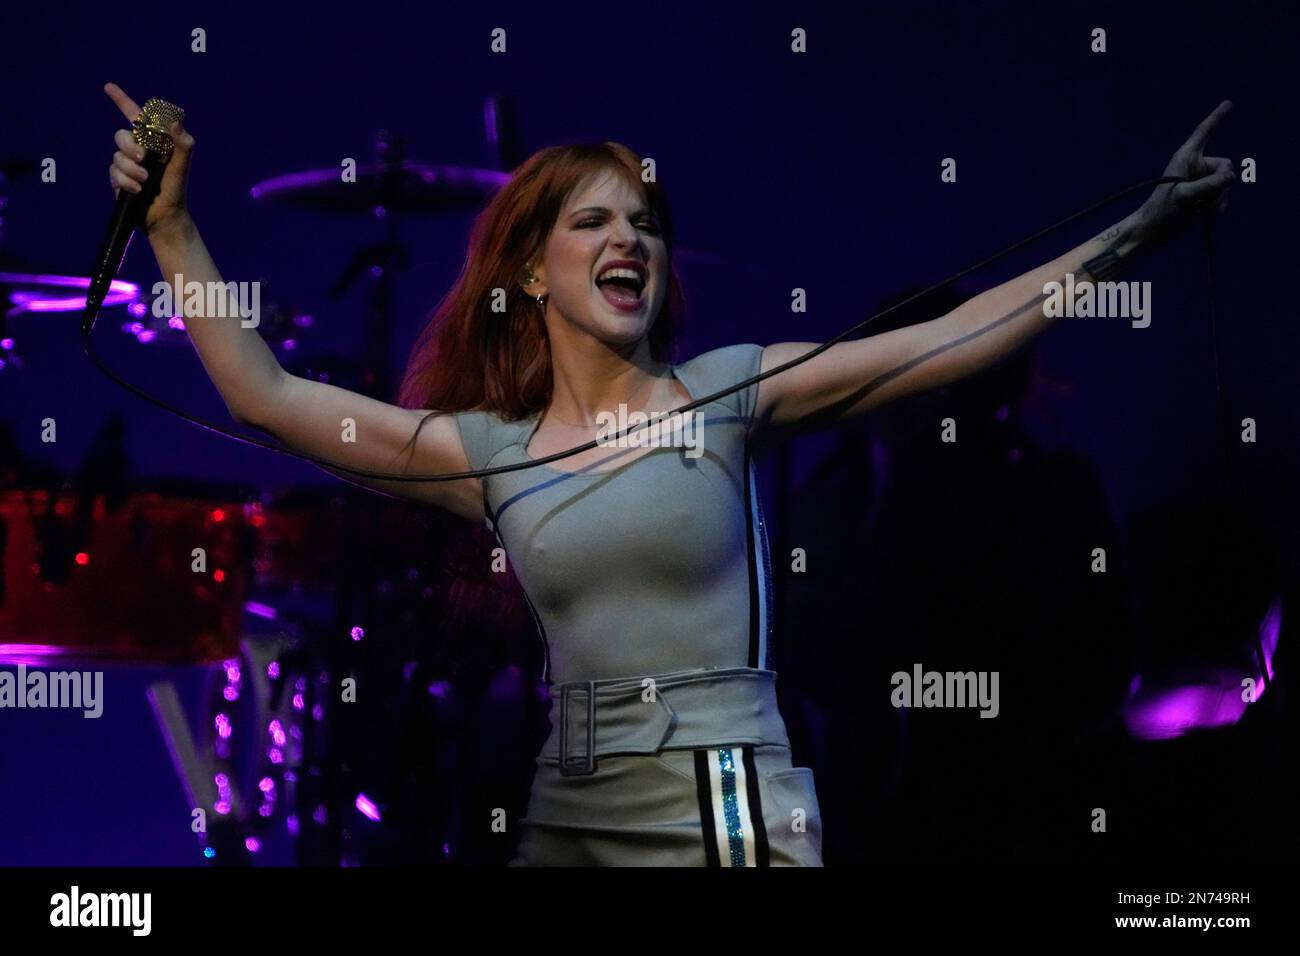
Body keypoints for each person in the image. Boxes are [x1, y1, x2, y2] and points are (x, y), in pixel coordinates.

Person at [102, 82, 1234, 865]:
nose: (626, 238)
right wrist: (171, 229)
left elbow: (957, 335)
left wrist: (1136, 233)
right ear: (534, 273)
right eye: (590, 221)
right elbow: (269, 395)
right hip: (575, 792)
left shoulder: (729, 392)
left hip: (725, 797)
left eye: (641, 220)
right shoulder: (487, 450)